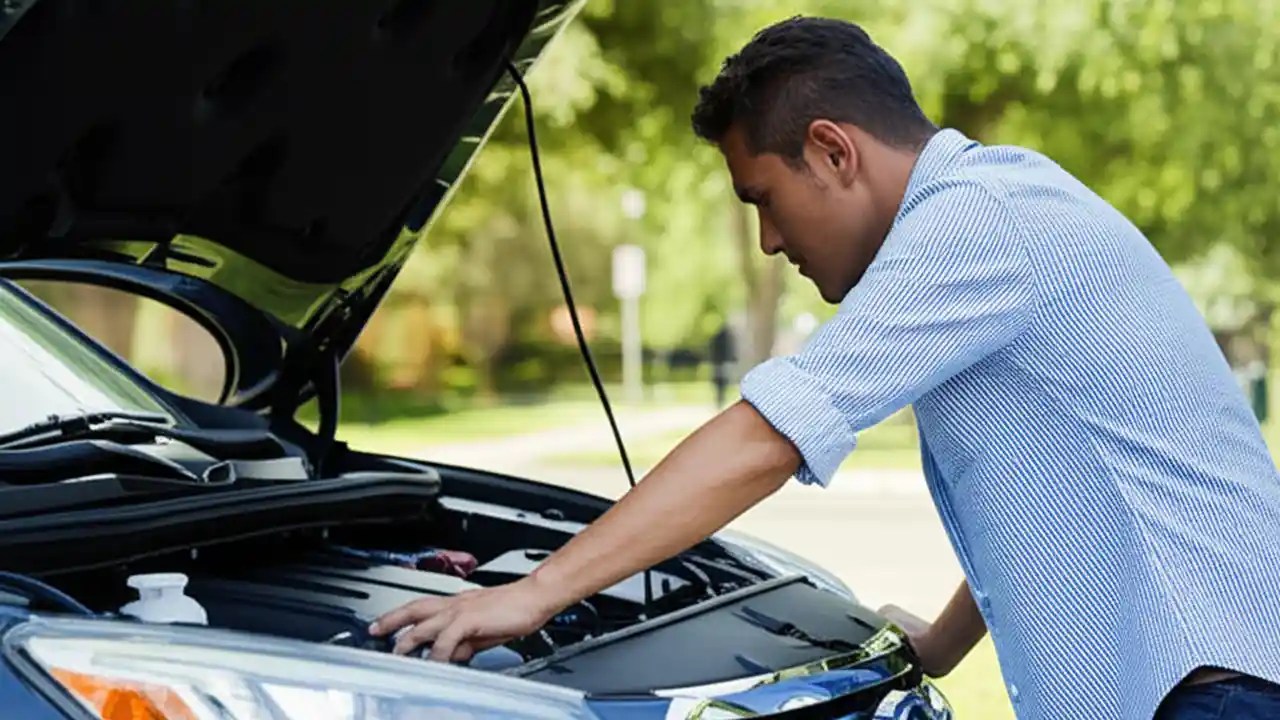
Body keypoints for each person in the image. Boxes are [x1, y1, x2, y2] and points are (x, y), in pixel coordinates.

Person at [370, 16, 1280, 720]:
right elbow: (1062, 492)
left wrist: (536, 592)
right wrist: (947, 643)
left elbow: (768, 436)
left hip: (1217, 694)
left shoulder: (976, 222)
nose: (768, 241)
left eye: (764, 199)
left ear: (834, 151)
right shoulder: (999, 214)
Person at [708, 320, 737, 408]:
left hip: (718, 362)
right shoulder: (728, 339)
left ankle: (720, 399)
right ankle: (721, 398)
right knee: (722, 381)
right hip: (723, 362)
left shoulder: (717, 338)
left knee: (720, 382)